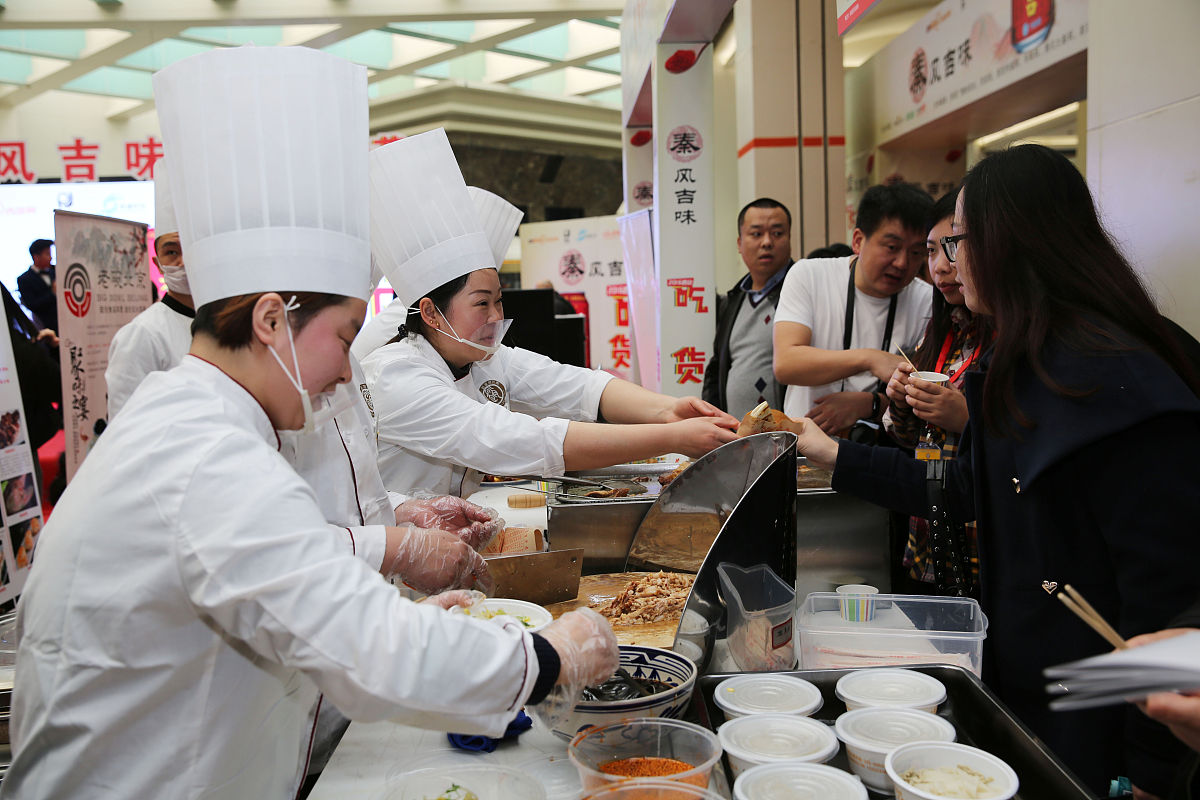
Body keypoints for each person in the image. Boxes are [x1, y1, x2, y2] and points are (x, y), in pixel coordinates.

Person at [2, 46, 618, 800]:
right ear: (270, 320)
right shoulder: (201, 450)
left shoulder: (214, 424)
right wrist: (549, 657)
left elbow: (298, 583)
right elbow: (360, 644)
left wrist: (414, 606)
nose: (347, 369)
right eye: (342, 336)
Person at [792, 144, 1200, 796]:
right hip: (1026, 695)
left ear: (1009, 241)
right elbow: (960, 488)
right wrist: (831, 455)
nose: (945, 264)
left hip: (1097, 716)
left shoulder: (1120, 381)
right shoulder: (1014, 360)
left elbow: (1169, 601)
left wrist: (1151, 771)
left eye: (955, 242)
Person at [360, 130, 738, 498]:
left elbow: (580, 386)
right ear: (430, 312)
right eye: (480, 303)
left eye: (499, 300)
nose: (495, 316)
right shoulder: (397, 376)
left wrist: (668, 410)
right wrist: (672, 437)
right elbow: (515, 439)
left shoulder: (487, 358)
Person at [883, 190, 994, 595]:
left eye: (952, 248)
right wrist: (902, 403)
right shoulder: (943, 330)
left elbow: (1022, 447)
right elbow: (910, 440)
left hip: (979, 544)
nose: (940, 267)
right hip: (929, 534)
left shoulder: (1006, 335)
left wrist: (967, 419)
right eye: (930, 252)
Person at [773, 184, 933, 435]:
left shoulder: (927, 300)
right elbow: (786, 364)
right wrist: (870, 359)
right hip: (803, 454)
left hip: (881, 459)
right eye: (891, 247)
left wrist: (868, 404)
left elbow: (926, 397)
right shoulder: (810, 275)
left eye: (916, 252)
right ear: (858, 241)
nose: (903, 263)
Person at [105, 157, 196, 417]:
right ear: (157, 263)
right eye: (171, 252)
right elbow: (124, 421)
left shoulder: (225, 320)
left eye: (189, 249)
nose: (182, 261)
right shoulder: (143, 333)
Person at [702, 197, 794, 417]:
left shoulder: (801, 293)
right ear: (739, 244)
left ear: (790, 239)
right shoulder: (733, 300)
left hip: (790, 439)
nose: (766, 242)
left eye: (777, 233)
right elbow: (717, 368)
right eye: (756, 234)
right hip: (738, 440)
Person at [17, 238, 56, 333]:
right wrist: (52, 293)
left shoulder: (55, 271)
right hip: (44, 327)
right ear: (36, 257)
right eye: (47, 254)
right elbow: (32, 305)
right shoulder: (24, 279)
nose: (51, 258)